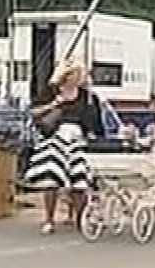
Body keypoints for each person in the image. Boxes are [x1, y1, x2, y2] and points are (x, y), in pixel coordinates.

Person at [24, 62, 105, 235]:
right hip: (54, 137)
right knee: (51, 176)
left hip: (77, 138)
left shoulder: (87, 97)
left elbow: (95, 123)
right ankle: (49, 219)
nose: (76, 78)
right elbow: (33, 113)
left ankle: (79, 218)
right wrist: (54, 104)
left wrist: (91, 133)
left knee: (79, 178)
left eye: (79, 75)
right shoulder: (51, 92)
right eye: (72, 74)